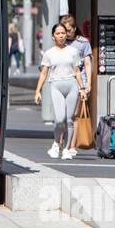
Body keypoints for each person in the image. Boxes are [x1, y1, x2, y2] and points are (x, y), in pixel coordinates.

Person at [34, 23, 90, 160]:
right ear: (53, 36)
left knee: (69, 119)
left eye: (63, 33)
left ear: (66, 35)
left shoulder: (73, 52)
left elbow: (77, 72)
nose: (61, 36)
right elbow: (44, 73)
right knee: (59, 120)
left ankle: (66, 149)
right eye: (58, 33)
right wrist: (38, 91)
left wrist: (82, 88)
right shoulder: (49, 53)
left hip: (72, 85)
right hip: (56, 85)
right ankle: (55, 143)